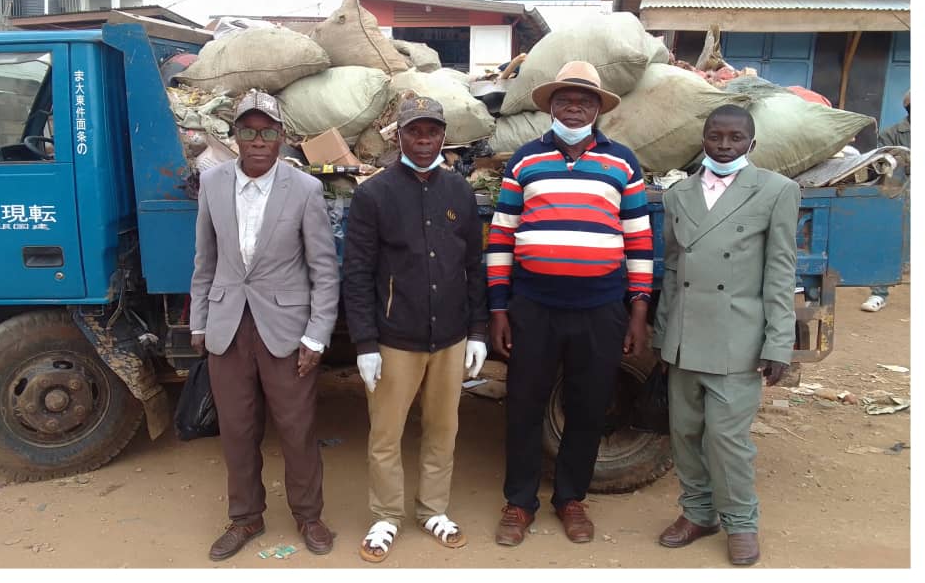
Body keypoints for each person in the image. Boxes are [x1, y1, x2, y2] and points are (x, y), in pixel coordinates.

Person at [487, 61, 653, 548]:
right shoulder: (524, 160)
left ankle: (570, 498)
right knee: (522, 405)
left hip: (601, 308)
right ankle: (519, 502)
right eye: (565, 98)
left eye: (584, 99)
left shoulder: (622, 162)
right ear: (551, 106)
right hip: (533, 307)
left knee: (586, 406)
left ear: (599, 107)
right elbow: (501, 236)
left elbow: (638, 239)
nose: (574, 105)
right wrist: (500, 308)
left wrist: (638, 309)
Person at [190, 90, 340, 561]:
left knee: (296, 428)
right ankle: (245, 517)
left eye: (268, 131)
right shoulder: (212, 183)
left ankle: (308, 515)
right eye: (248, 131)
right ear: (234, 136)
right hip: (228, 325)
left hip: (287, 328)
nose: (258, 141)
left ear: (282, 137)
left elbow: (323, 269)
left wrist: (317, 334)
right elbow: (204, 260)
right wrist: (199, 321)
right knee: (236, 429)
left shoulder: (305, 189)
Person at [343, 96, 488, 563]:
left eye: (432, 132)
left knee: (443, 429)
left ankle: (432, 510)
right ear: (399, 136)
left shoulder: (459, 192)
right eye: (414, 132)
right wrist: (365, 342)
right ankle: (386, 516)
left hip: (450, 336)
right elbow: (358, 272)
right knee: (386, 433)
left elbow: (473, 267)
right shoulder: (374, 194)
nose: (423, 141)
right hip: (394, 339)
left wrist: (479, 331)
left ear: (444, 136)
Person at [654, 104, 800, 567]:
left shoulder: (777, 191)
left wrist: (779, 342)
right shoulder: (678, 195)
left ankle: (741, 522)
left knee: (727, 439)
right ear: (703, 139)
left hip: (738, 338)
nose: (723, 146)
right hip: (684, 336)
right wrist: (663, 336)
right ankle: (697, 514)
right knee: (685, 434)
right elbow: (673, 270)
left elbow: (780, 273)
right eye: (715, 137)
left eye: (735, 139)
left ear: (751, 145)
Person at [863, 90, 910, 312]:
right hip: (900, 197)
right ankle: (879, 293)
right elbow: (887, 166)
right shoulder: (892, 134)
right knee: (889, 243)